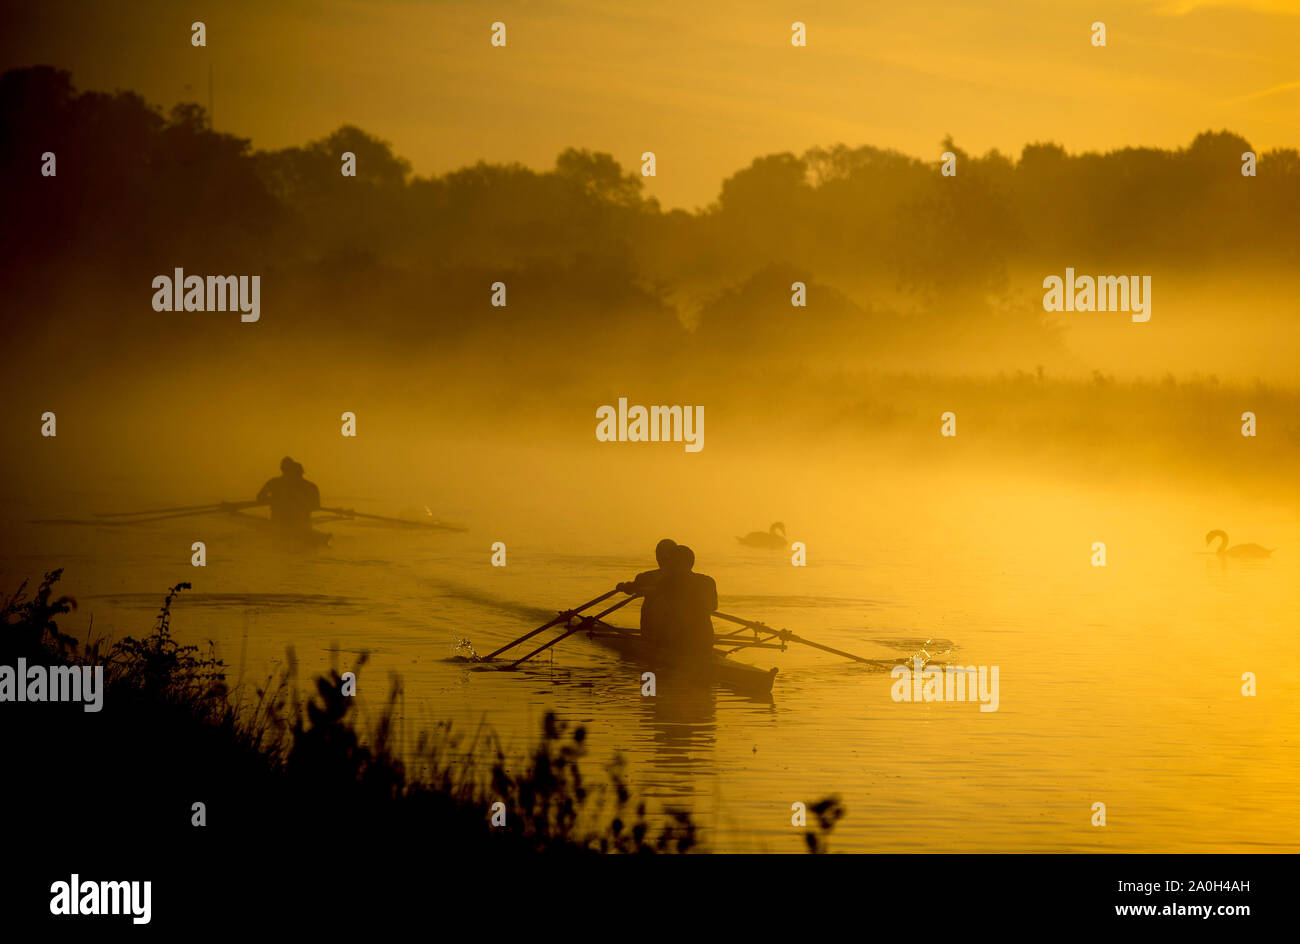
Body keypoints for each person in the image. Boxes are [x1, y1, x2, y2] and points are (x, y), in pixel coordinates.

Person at [617, 539, 678, 647]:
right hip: (682, 633)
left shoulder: (648, 577)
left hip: (655, 632)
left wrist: (622, 586)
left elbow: (630, 589)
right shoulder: (694, 581)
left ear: (658, 556)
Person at [660, 545, 717, 659]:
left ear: (678, 563)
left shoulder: (667, 583)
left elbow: (663, 612)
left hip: (680, 643)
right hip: (706, 640)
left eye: (670, 562)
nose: (668, 565)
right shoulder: (708, 581)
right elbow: (714, 607)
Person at [256, 457, 321, 536]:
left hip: (283, 522)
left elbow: (260, 497)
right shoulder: (311, 486)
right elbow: (316, 506)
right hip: (291, 522)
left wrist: (274, 501)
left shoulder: (274, 482)